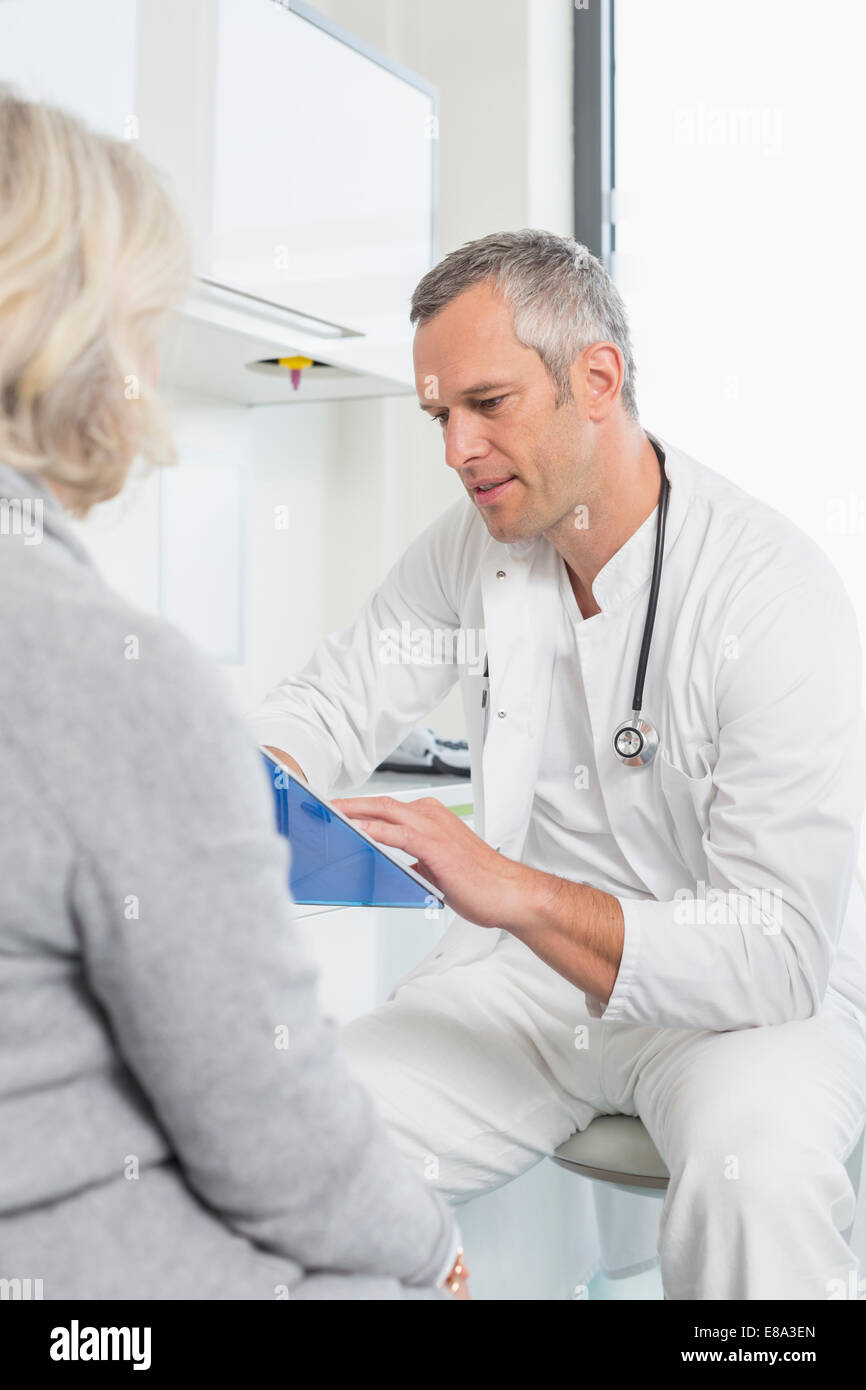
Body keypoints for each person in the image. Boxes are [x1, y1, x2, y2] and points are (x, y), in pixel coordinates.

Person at [250, 228, 866, 1300]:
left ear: (595, 379)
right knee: (294, 1136)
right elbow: (334, 697)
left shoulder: (768, 594)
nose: (455, 448)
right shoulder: (474, 544)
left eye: (485, 404)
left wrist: (511, 890)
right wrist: (254, 770)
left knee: (754, 1182)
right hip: (530, 990)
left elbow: (771, 949)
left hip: (741, 1006)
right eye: (438, 415)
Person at [0, 88, 467, 1302]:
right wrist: (433, 1255)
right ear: (82, 341)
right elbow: (274, 1135)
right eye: (146, 324)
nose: (462, 446)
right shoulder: (98, 672)